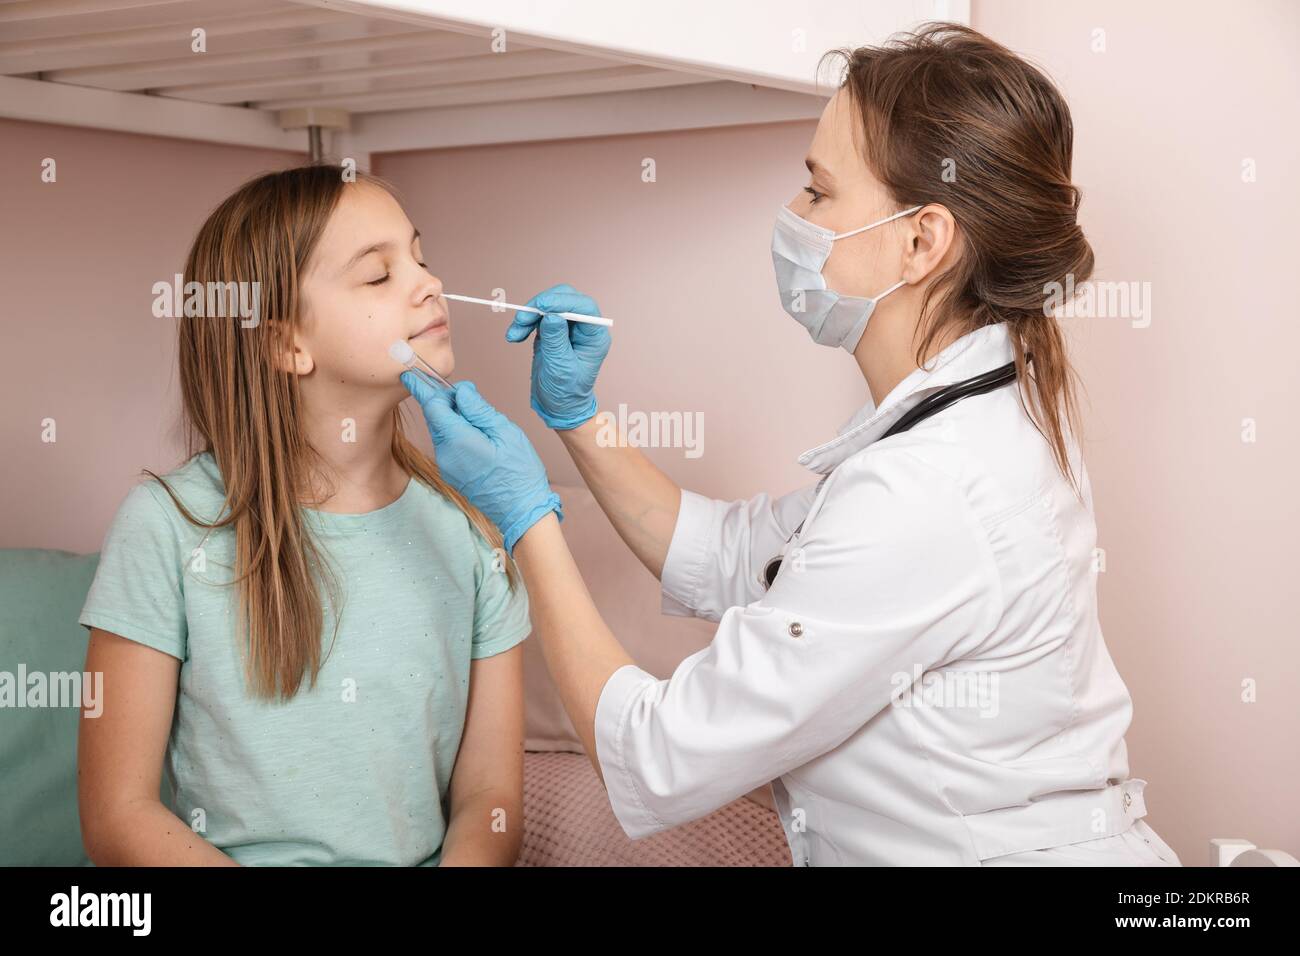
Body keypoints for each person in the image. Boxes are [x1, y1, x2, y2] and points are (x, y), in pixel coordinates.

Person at [400, 24, 1181, 866]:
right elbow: (740, 556)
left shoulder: (932, 490)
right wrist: (578, 417)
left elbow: (661, 758)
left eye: (818, 193)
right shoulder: (961, 417)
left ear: (922, 242)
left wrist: (527, 520)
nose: (793, 217)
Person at [78, 166, 531, 866]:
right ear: (286, 342)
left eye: (420, 255)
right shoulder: (166, 527)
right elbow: (118, 817)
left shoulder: (472, 531)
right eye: (379, 276)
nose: (428, 282)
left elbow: (490, 801)